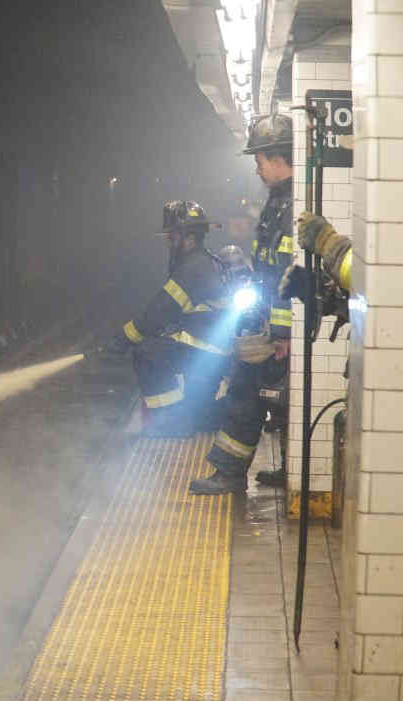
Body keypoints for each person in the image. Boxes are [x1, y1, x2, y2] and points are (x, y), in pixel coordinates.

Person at [191, 114, 294, 494]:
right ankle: (288, 470)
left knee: (244, 394)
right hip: (269, 321)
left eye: (260, 160)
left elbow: (286, 271)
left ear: (276, 158)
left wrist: (280, 331)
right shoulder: (281, 201)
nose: (257, 167)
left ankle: (229, 474)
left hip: (275, 328)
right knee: (270, 398)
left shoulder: (288, 206)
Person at [106, 201, 231, 438]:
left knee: (147, 353)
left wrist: (124, 338)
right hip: (212, 345)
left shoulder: (194, 268)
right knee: (202, 415)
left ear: (188, 239)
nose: (168, 243)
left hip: (206, 346)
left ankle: (170, 424)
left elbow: (160, 310)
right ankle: (186, 418)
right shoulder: (204, 262)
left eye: (172, 237)